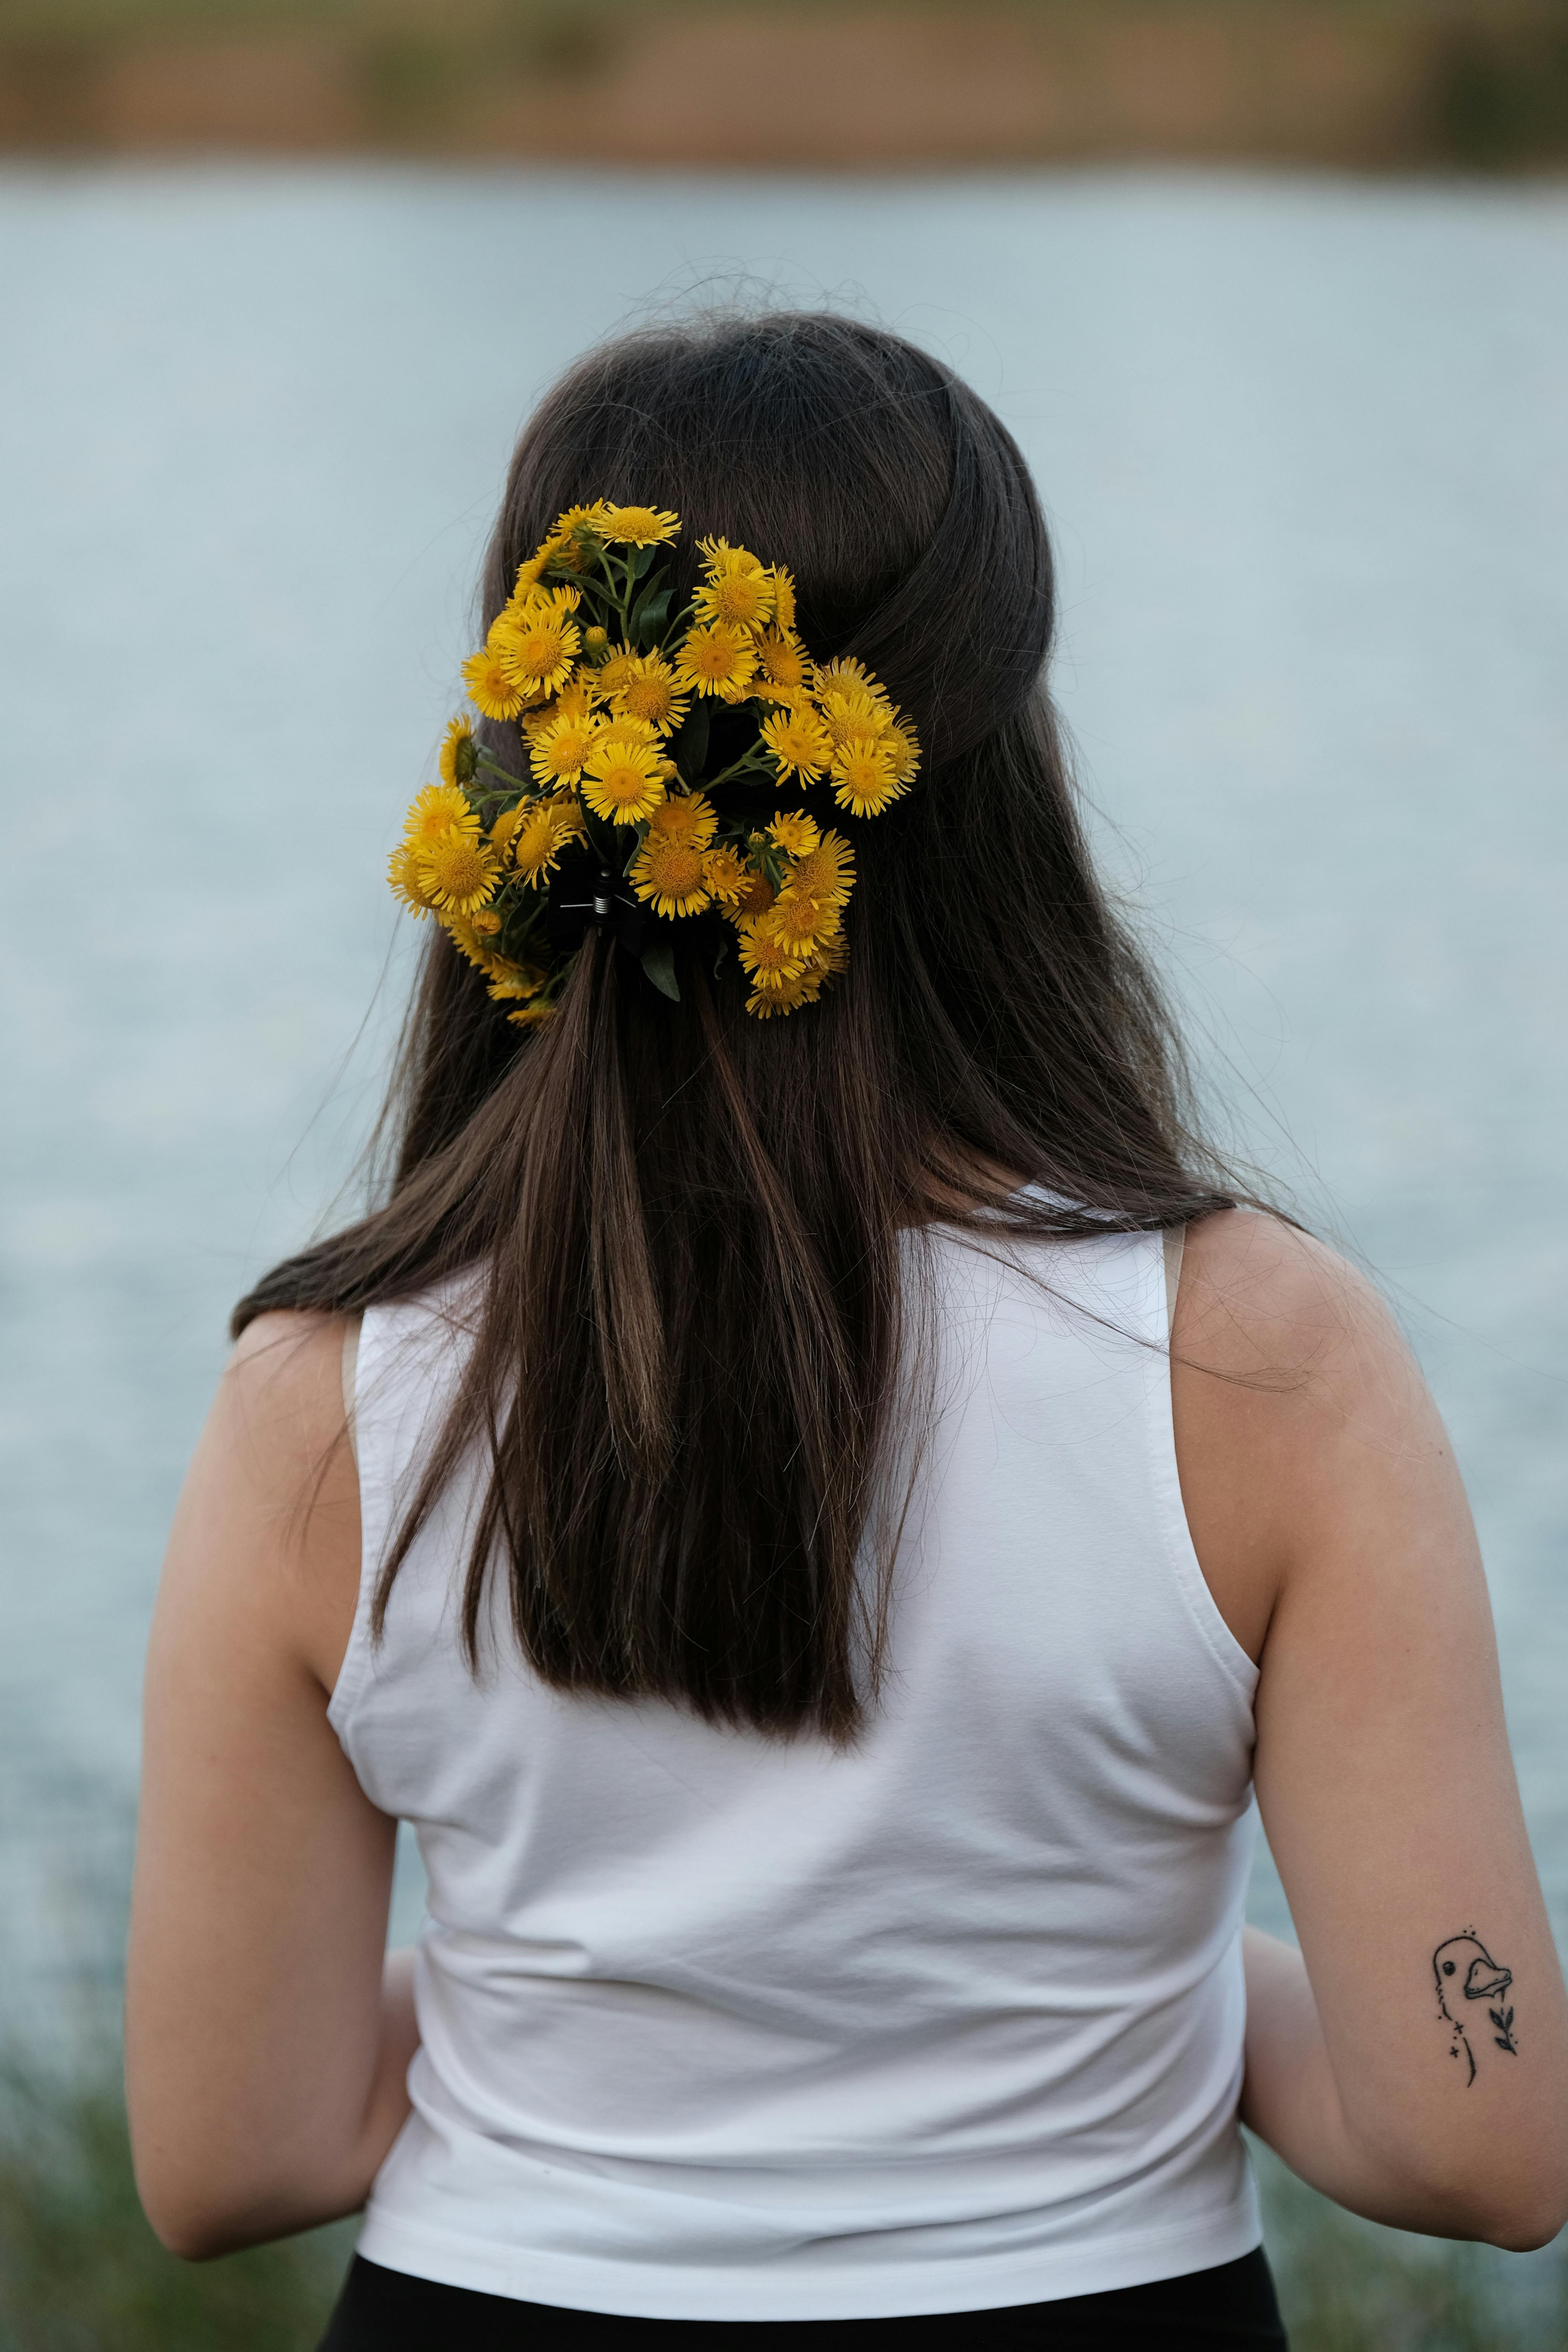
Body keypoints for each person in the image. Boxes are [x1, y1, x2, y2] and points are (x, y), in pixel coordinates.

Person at [125, 314, 1568, 2350]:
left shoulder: (327, 1397)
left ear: (539, 730)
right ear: (1000, 743)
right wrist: (1165, 1980)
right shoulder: (1263, 1353)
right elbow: (1476, 2143)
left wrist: (586, 1995)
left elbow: (231, 2151)